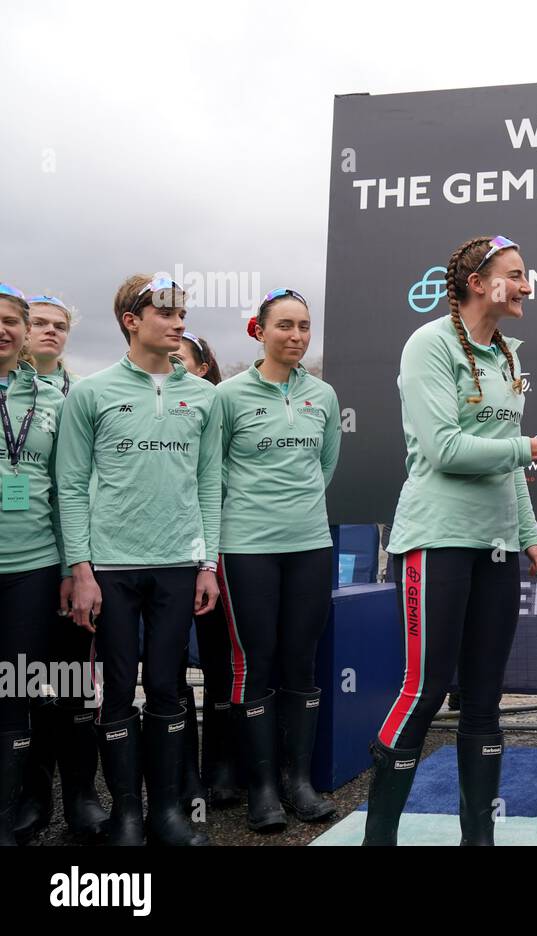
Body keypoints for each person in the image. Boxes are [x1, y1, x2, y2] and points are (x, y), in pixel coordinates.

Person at [364, 236, 537, 846]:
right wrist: (534, 448)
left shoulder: (506, 355)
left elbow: (508, 466)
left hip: (496, 547)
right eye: (517, 275)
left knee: (484, 701)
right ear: (479, 282)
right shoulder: (429, 344)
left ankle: (480, 839)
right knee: (423, 692)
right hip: (436, 541)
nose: (528, 286)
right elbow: (446, 449)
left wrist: (528, 535)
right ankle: (378, 839)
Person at [56, 274, 220, 846]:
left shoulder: (203, 397)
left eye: (183, 314)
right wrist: (81, 570)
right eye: (167, 313)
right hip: (112, 567)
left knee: (171, 687)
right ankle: (127, 815)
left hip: (179, 563)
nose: (179, 323)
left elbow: (209, 482)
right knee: (120, 690)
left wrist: (207, 564)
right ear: (132, 319)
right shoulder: (92, 392)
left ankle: (168, 813)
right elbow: (72, 484)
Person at [215, 292, 341, 831]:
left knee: (301, 661)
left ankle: (298, 781)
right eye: (284, 325)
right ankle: (262, 788)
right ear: (259, 331)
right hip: (246, 549)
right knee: (255, 663)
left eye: (304, 326)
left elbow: (326, 464)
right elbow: (211, 472)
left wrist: (296, 514)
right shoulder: (227, 396)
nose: (296, 335)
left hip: (310, 544)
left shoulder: (324, 395)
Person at [6, 291, 109, 844]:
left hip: (70, 558)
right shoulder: (14, 390)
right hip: (26, 560)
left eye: (59, 325)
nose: (49, 332)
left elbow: (78, 486)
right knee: (24, 682)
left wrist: (80, 562)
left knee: (70, 680)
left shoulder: (79, 393)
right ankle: (31, 793)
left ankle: (82, 794)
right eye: (39, 323)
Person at [0, 284, 79, 845]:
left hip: (33, 565)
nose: (3, 329)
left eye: (11, 320)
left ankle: (12, 815)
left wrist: (75, 567)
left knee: (17, 688)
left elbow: (69, 488)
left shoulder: (53, 399)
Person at [172, 332, 238, 811]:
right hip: (162, 555)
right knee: (167, 669)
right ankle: (182, 776)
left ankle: (220, 768)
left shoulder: (214, 406)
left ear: (201, 367)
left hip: (214, 556)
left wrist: (210, 557)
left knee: (219, 665)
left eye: (181, 358)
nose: (172, 365)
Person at [22, 296, 75, 396]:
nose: (51, 330)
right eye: (38, 323)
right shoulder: (5, 381)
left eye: (60, 327)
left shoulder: (81, 388)